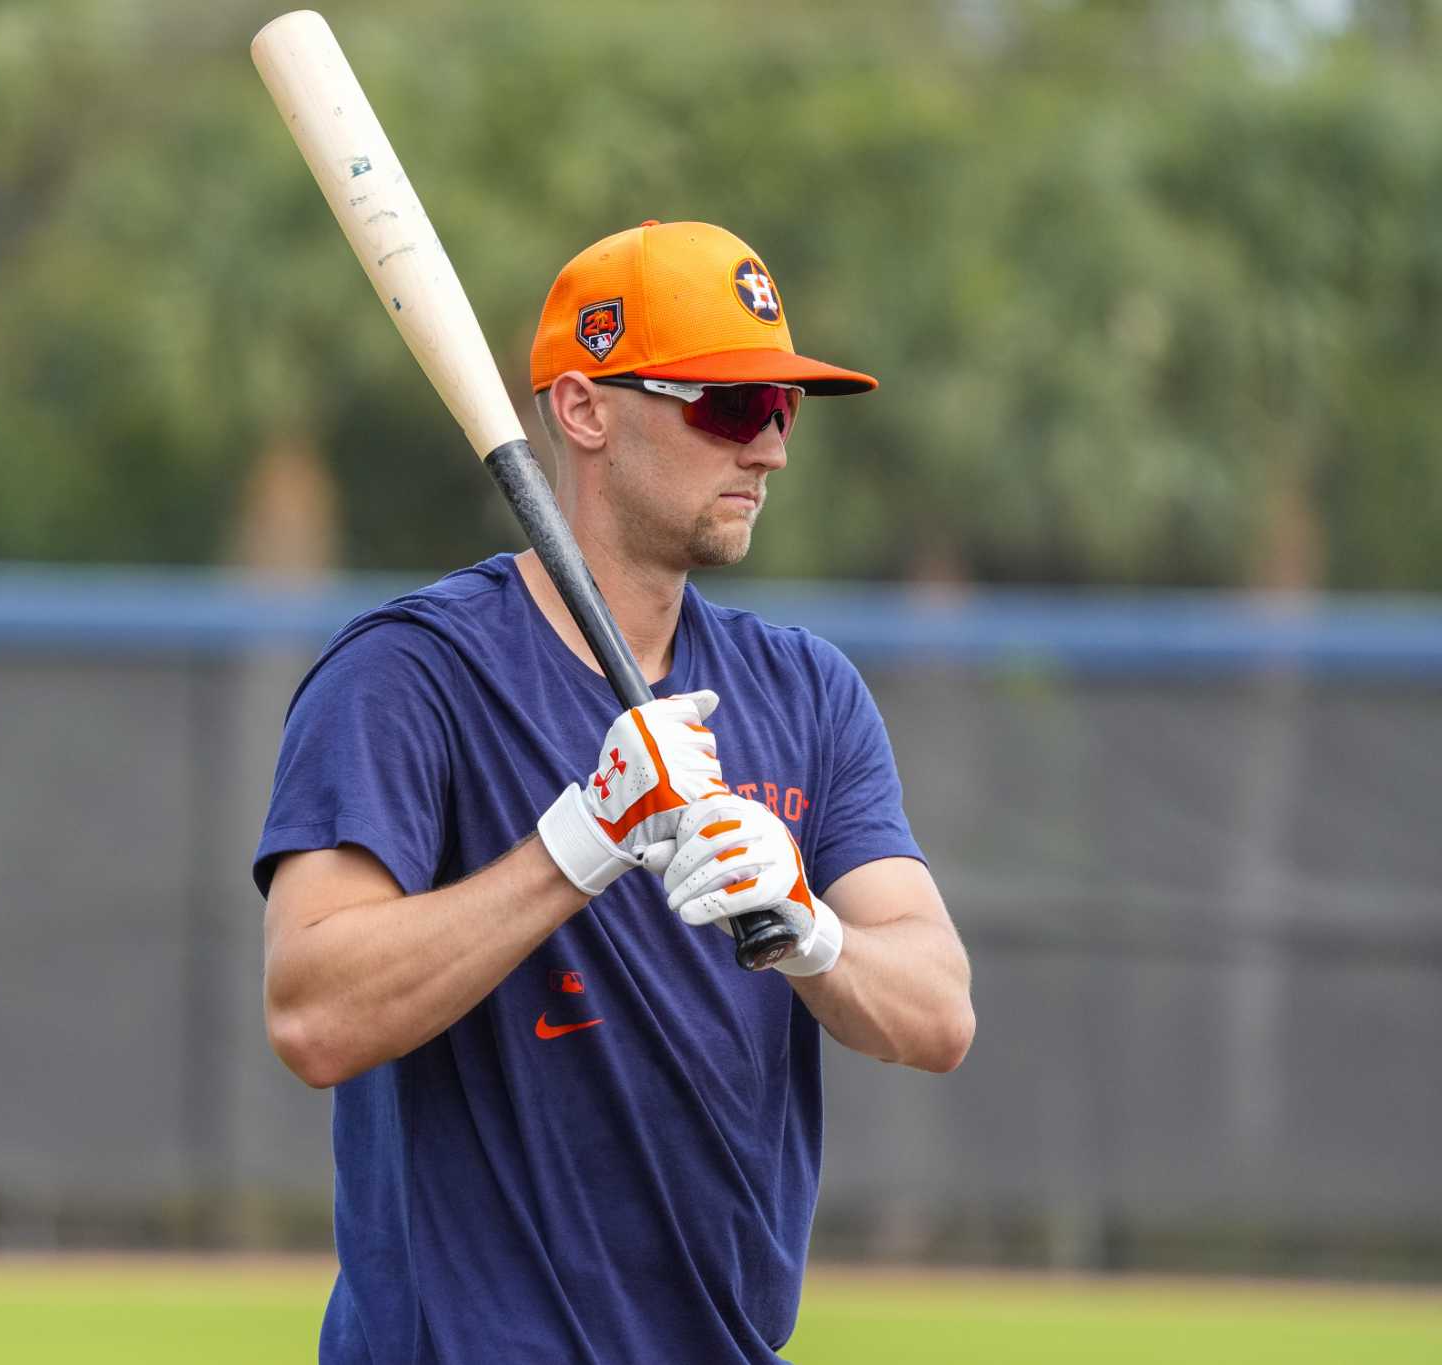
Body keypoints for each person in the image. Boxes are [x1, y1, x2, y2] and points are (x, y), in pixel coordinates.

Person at [253, 220, 974, 1364]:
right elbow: (310, 1010)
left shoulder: (806, 691)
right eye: (727, 409)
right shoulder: (406, 676)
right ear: (585, 411)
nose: (770, 451)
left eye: (781, 410)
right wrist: (577, 844)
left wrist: (811, 935)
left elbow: (937, 1012)